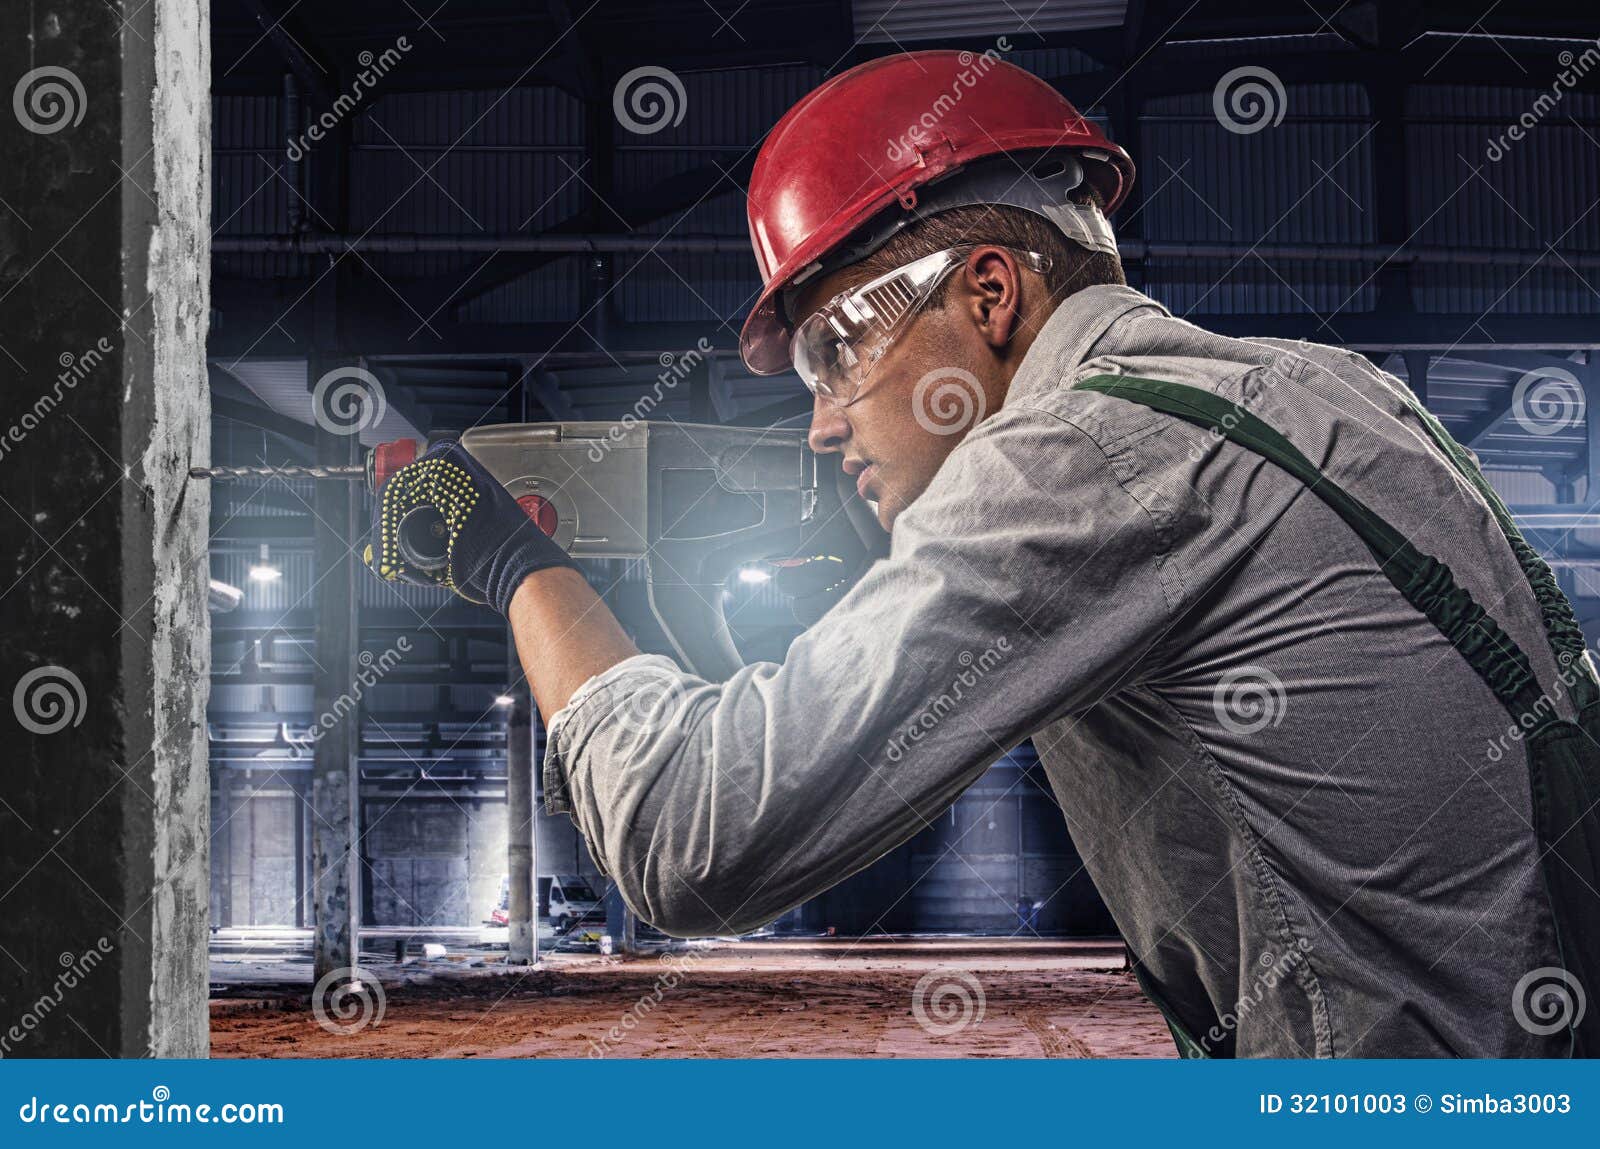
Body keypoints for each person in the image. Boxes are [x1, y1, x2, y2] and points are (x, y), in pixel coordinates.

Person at [368, 52, 1598, 1057]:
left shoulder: (1080, 456)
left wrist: (510, 567)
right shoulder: (1330, 391)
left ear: (990, 294)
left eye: (832, 351)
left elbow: (688, 840)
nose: (820, 419)